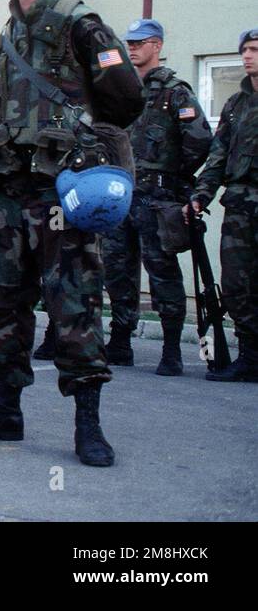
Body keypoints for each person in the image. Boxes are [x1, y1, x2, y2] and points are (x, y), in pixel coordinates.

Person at [0, 0, 144, 467]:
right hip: (11, 191)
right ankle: (4, 409)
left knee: (72, 303)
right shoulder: (6, 38)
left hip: (62, 192)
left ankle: (88, 424)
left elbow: (125, 98)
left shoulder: (80, 25)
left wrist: (87, 146)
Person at [102, 19, 212, 374]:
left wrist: (174, 177)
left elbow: (200, 140)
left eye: (140, 42)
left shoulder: (175, 92)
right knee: (118, 270)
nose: (132, 48)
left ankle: (170, 350)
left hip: (157, 197)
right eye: (129, 43)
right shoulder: (124, 89)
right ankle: (120, 341)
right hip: (123, 195)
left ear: (157, 46)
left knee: (162, 274)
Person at [188, 27, 258, 383]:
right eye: (244, 49)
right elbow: (217, 157)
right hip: (241, 206)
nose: (247, 56)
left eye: (255, 49)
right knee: (236, 283)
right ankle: (250, 356)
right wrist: (201, 195)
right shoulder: (236, 104)